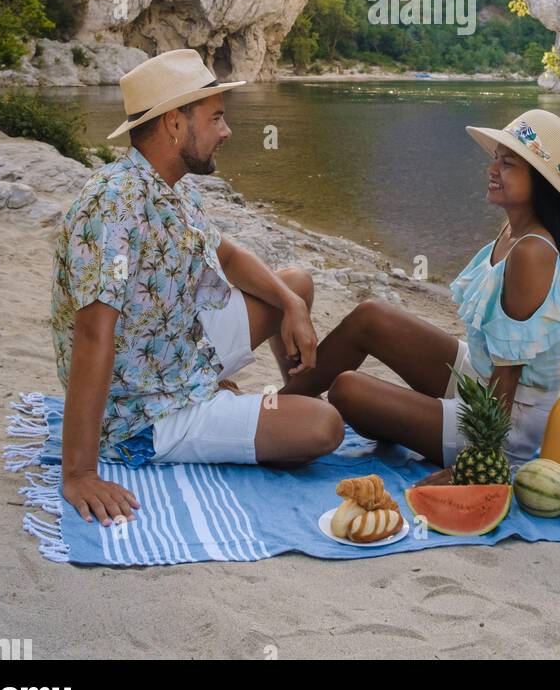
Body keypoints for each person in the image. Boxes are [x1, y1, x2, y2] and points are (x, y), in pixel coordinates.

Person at [51, 48, 344, 527]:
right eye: (216, 119)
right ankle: (258, 410)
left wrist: (291, 303)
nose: (226, 131)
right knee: (323, 427)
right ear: (173, 124)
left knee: (294, 282)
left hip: (177, 354)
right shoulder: (114, 205)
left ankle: (270, 396)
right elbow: (92, 334)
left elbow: (225, 255)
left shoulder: (173, 184)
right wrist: (80, 471)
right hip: (144, 410)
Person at [280, 108, 560, 469]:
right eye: (495, 159)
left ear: (539, 181)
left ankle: (295, 410)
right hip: (481, 377)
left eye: (507, 164)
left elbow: (509, 376)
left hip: (507, 419)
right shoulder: (513, 229)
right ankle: (274, 408)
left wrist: (483, 461)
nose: (491, 171)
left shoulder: (534, 250)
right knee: (371, 317)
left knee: (348, 390)